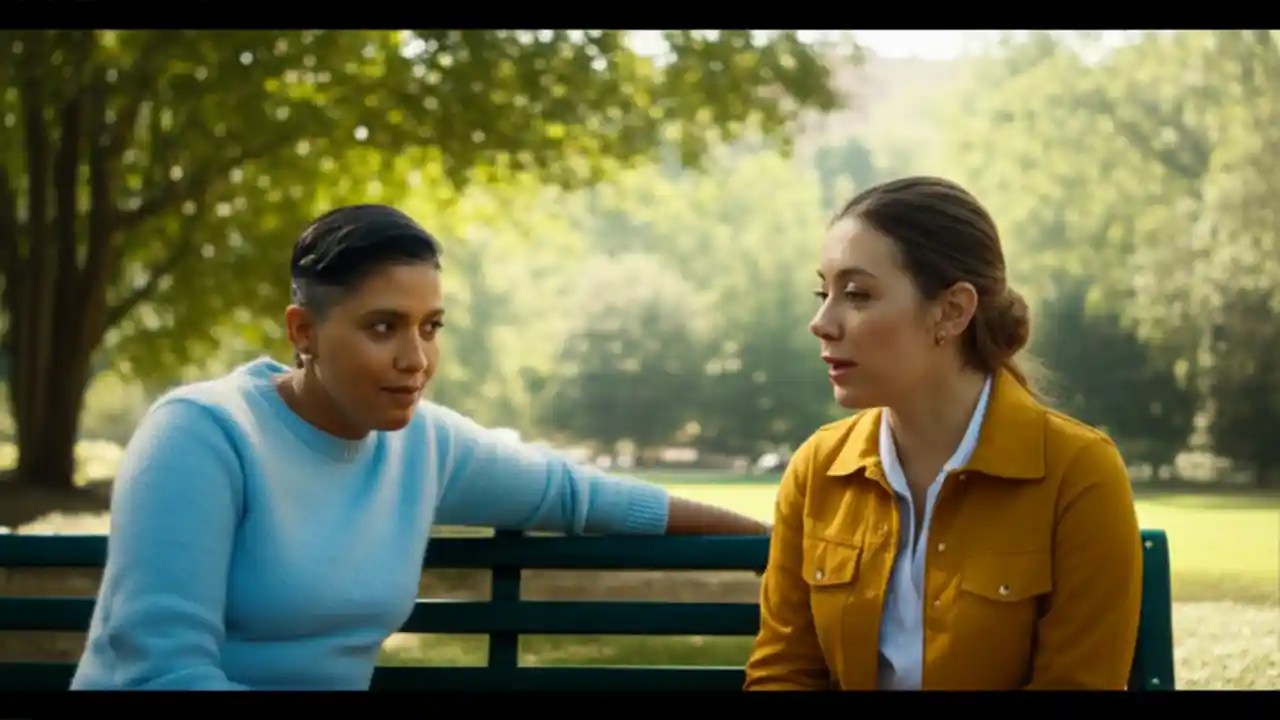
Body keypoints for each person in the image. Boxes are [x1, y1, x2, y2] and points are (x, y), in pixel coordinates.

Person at [70, 204, 767, 691]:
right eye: (383, 327)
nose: (416, 359)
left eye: (430, 327)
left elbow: (583, 496)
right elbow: (163, 673)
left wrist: (775, 541)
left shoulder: (424, 443)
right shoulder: (201, 434)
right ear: (303, 331)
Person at [743, 176, 1143, 691]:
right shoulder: (818, 468)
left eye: (857, 294)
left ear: (952, 310)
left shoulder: (1077, 472)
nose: (821, 322)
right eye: (824, 292)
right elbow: (783, 673)